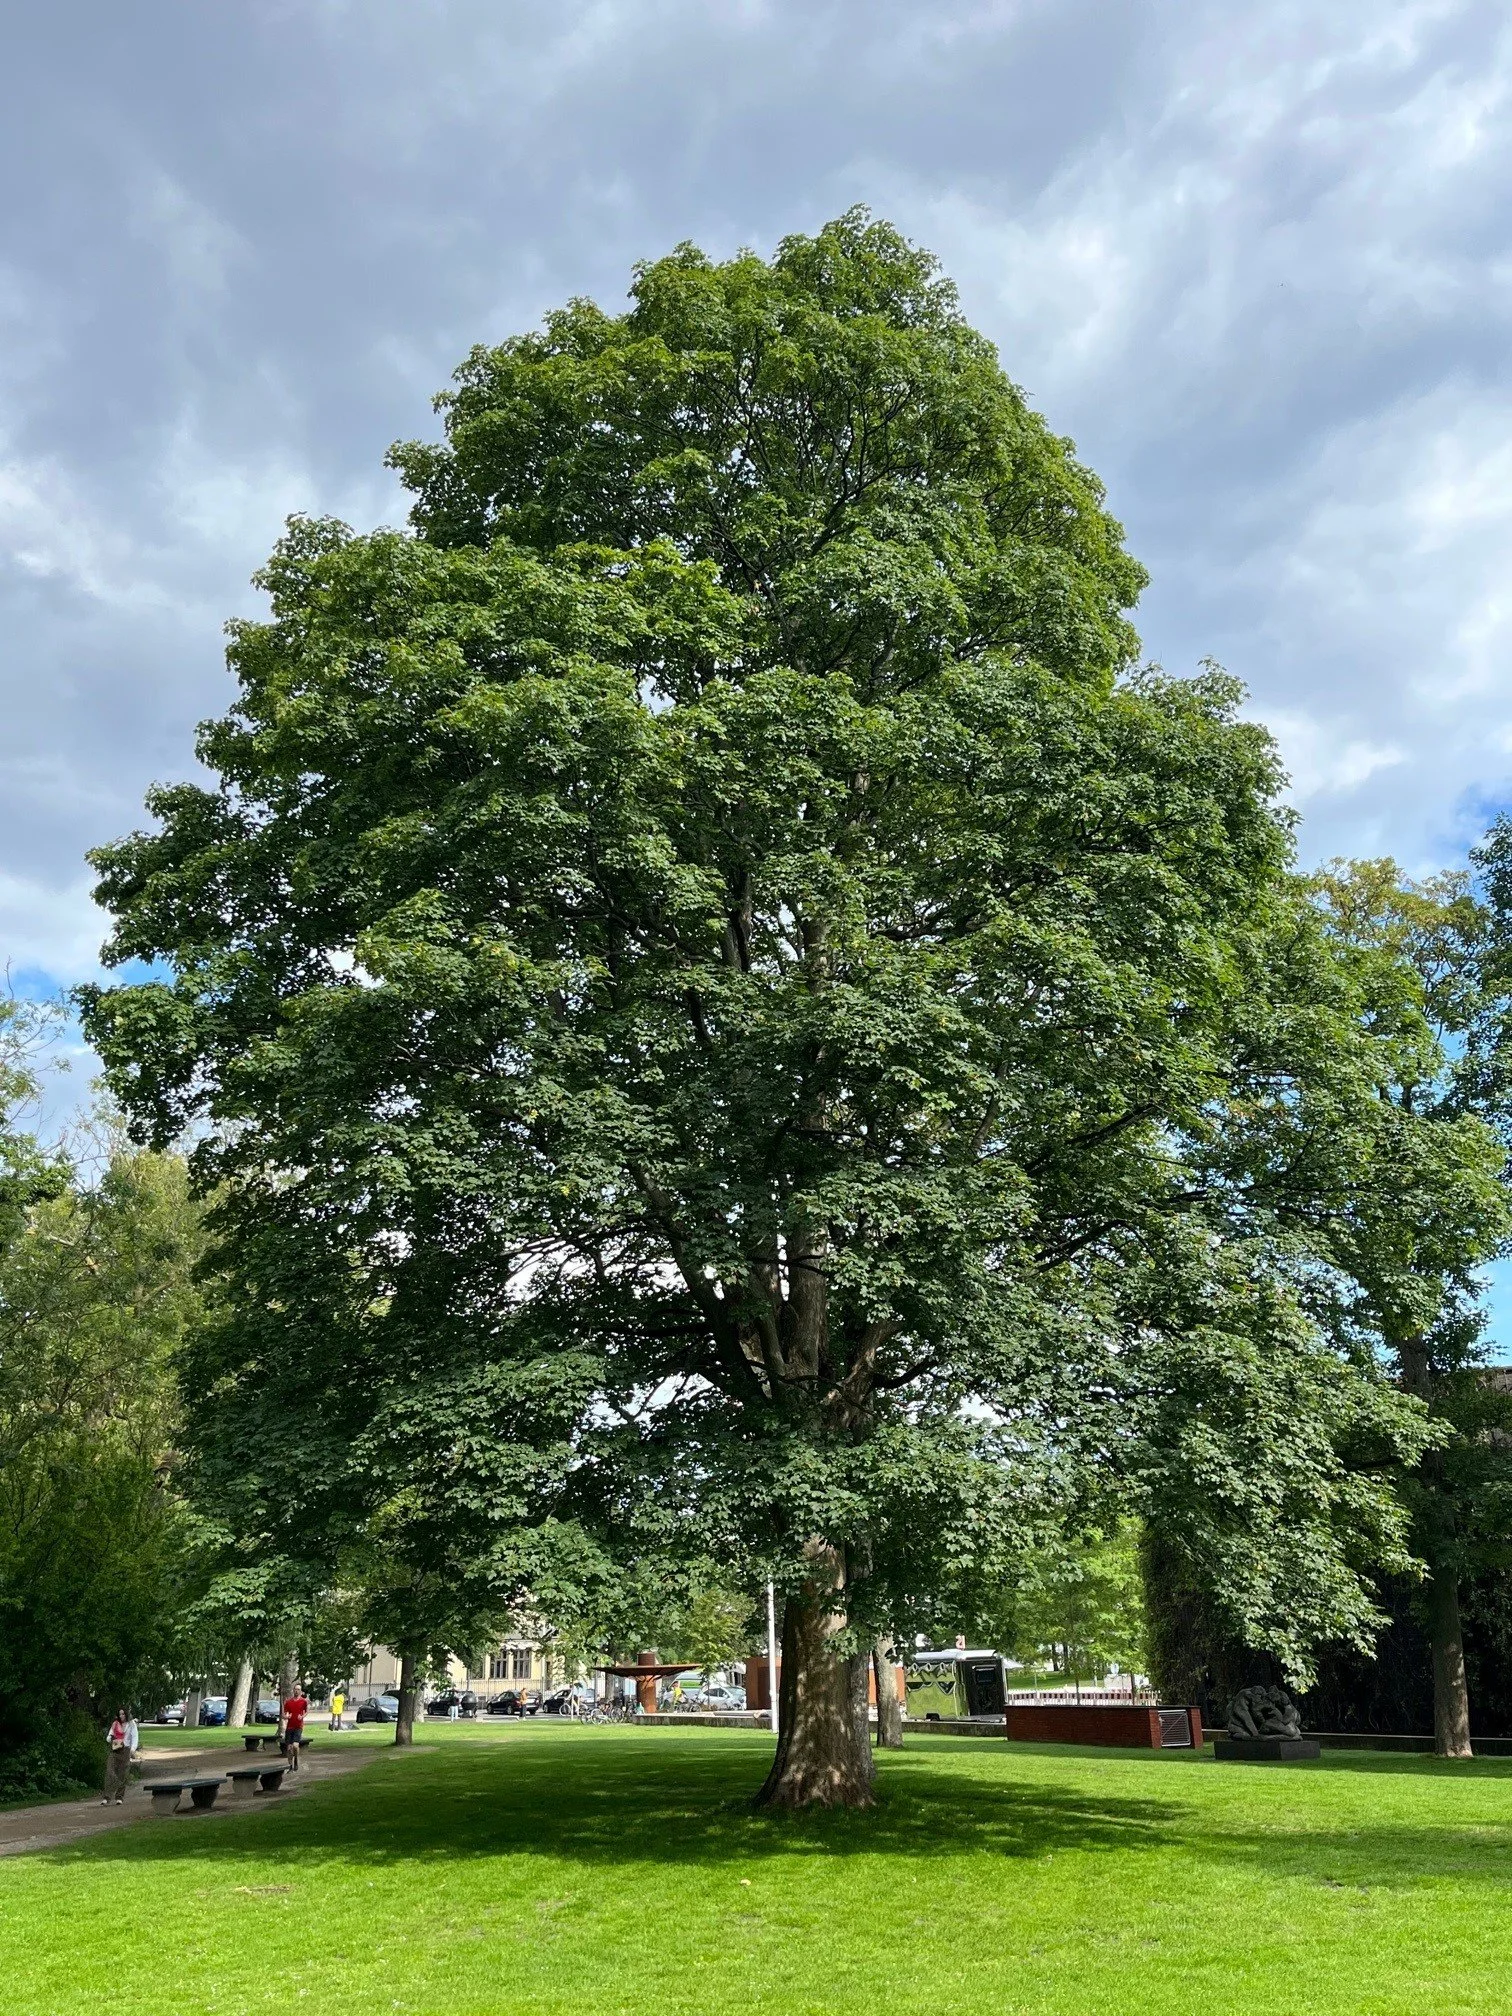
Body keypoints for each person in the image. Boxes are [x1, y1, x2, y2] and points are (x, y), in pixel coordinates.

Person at [102, 1708, 138, 1804]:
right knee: (110, 1771)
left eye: (123, 1714)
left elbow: (135, 1737)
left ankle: (119, 1797)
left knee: (122, 1773)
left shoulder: (131, 1724)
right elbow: (109, 1736)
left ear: (126, 1714)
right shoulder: (115, 1724)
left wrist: (133, 1749)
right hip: (115, 1749)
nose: (121, 1716)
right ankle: (107, 1796)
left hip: (125, 1749)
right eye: (120, 1714)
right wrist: (110, 1738)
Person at [280, 1686, 309, 1771]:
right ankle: (290, 1766)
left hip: (298, 1726)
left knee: (295, 1746)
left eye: (298, 1689)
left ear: (301, 1691)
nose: (296, 1691)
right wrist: (286, 1716)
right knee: (289, 1748)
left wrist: (302, 1716)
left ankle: (296, 1758)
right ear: (293, 1690)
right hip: (289, 1727)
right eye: (295, 1689)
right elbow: (283, 1714)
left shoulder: (303, 1701)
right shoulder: (289, 1702)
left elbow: (307, 1711)